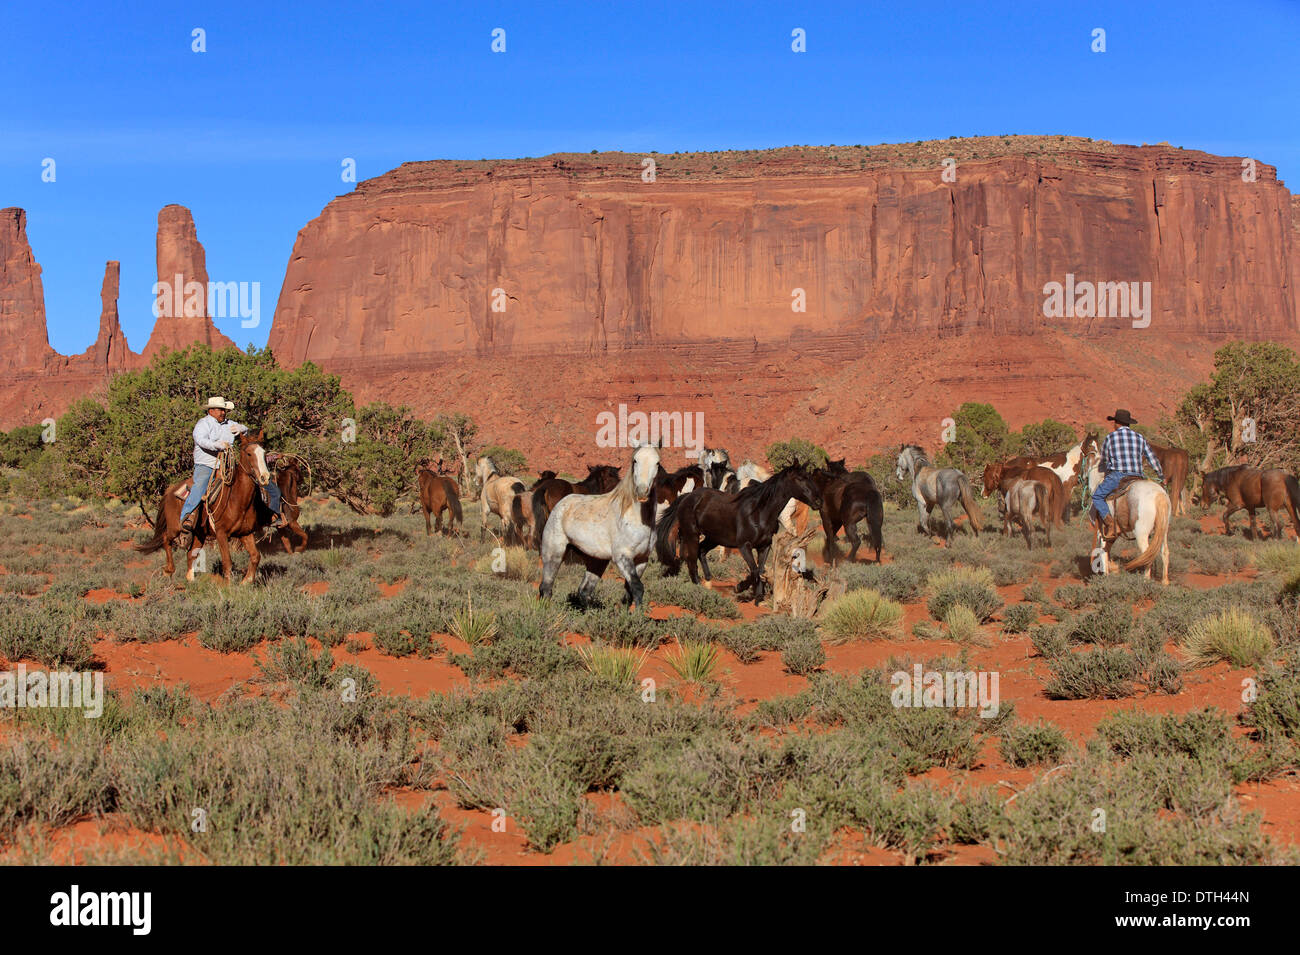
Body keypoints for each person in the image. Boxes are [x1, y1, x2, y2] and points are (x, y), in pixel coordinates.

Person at [178, 396, 281, 546]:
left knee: (249, 484)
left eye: (224, 410)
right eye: (221, 410)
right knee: (200, 486)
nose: (223, 412)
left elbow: (245, 430)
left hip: (227, 465)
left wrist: (242, 428)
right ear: (211, 410)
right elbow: (199, 439)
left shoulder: (229, 424)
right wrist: (216, 445)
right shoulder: (203, 424)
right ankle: (187, 517)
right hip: (207, 464)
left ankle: (263, 515)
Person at [1091, 408, 1164, 539]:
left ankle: (1111, 524)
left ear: (1117, 423)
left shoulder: (1110, 437)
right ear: (1128, 423)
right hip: (1137, 477)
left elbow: (1104, 460)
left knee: (1097, 496)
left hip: (1118, 476)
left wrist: (1105, 468)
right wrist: (1161, 476)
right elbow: (1152, 458)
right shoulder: (1140, 438)